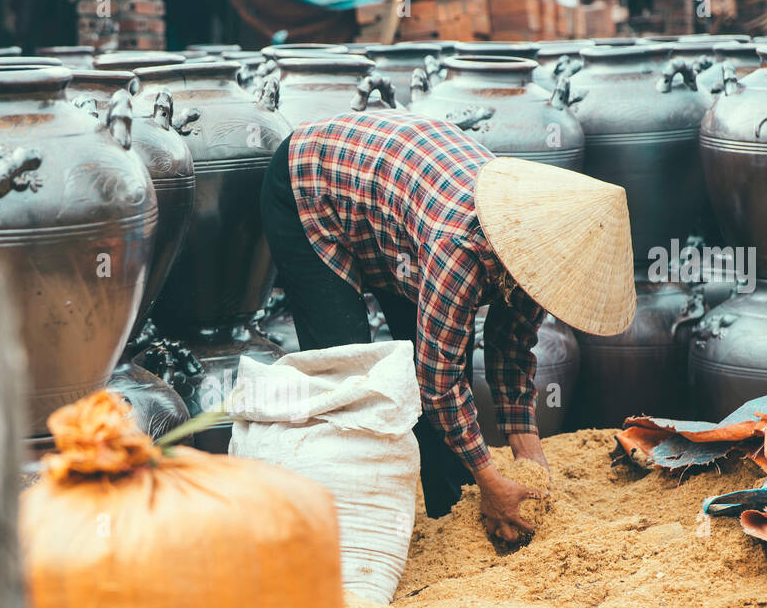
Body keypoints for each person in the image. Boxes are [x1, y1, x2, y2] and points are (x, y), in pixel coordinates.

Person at [261, 109, 635, 543]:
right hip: (312, 183)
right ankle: (356, 532)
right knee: (350, 375)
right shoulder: (460, 249)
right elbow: (438, 382)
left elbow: (510, 349)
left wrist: (528, 452)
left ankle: (450, 516)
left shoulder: (543, 253)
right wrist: (490, 478)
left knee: (431, 366)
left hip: (396, 215)